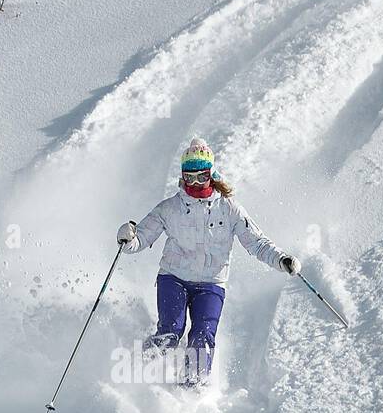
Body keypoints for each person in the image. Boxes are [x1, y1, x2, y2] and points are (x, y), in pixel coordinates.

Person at [117, 137, 300, 385]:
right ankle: (139, 368)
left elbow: (256, 242)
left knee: (202, 336)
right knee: (171, 332)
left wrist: (282, 259)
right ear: (182, 177)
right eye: (189, 178)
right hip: (174, 277)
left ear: (212, 175)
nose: (195, 184)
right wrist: (128, 238)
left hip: (211, 283)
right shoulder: (169, 208)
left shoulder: (229, 209)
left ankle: (191, 388)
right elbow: (139, 239)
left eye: (201, 177)